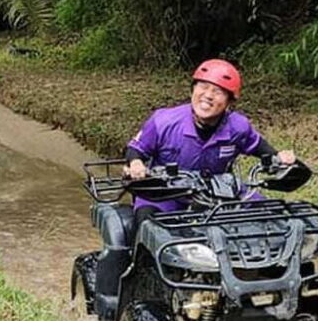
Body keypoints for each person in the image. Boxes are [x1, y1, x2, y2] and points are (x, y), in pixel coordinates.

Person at [125, 59, 296, 227]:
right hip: (166, 193)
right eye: (203, 87)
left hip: (218, 193)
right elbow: (136, 149)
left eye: (218, 91)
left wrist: (279, 156)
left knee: (272, 213)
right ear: (193, 90)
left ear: (229, 102)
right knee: (146, 224)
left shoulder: (238, 126)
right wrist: (136, 163)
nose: (208, 95)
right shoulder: (164, 121)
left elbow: (259, 147)